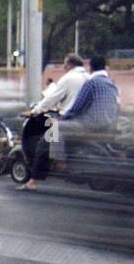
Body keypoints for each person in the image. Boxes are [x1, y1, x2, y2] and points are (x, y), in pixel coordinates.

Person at [17, 54, 88, 190]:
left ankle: (33, 180)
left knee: (45, 140)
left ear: (71, 64)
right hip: (86, 120)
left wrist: (35, 111)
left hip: (70, 120)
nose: (64, 68)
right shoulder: (88, 77)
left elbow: (51, 99)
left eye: (65, 65)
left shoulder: (68, 78)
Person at [51, 54, 121, 166]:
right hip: (108, 124)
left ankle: (59, 161)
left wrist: (62, 118)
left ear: (91, 68)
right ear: (105, 67)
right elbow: (117, 107)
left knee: (55, 127)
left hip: (91, 125)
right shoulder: (112, 85)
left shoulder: (91, 83)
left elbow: (77, 107)